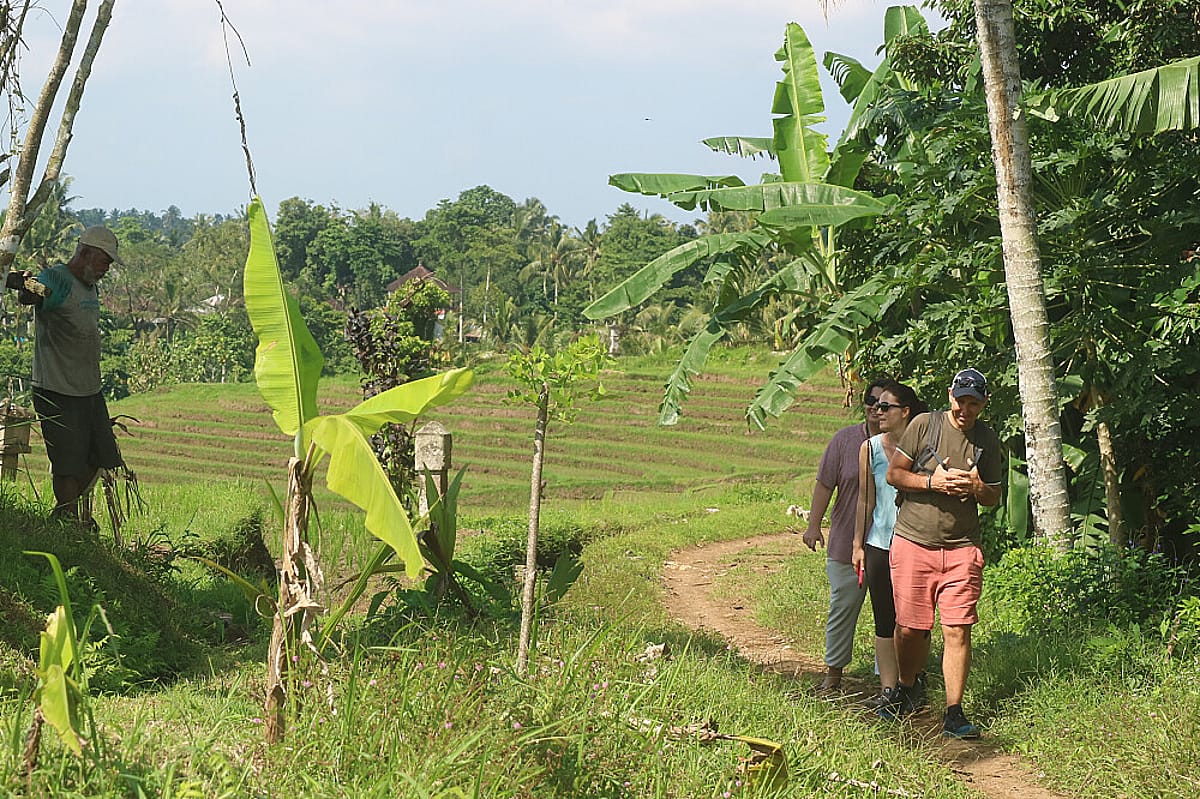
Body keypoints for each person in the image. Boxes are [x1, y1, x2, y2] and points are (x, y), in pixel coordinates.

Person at [879, 368, 1003, 739]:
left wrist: (978, 486)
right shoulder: (923, 425)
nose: (965, 409)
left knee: (958, 630)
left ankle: (954, 711)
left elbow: (995, 497)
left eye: (973, 403)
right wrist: (934, 481)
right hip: (914, 541)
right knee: (911, 628)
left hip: (963, 547)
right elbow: (894, 475)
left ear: (983, 404)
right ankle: (906, 685)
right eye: (960, 401)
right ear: (951, 396)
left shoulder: (987, 440)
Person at [14, 225, 125, 522]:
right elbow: (33, 295)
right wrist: (26, 287)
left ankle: (67, 515)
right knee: (66, 463)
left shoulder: (90, 285)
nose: (106, 268)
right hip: (57, 389)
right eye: (105, 261)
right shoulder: (56, 279)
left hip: (88, 388)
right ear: (86, 253)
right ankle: (68, 518)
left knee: (100, 456)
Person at [803, 377, 888, 692]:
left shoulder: (904, 443)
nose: (876, 410)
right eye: (871, 402)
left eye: (884, 404)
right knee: (842, 609)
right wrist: (813, 526)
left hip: (887, 545)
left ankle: (888, 683)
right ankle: (833, 675)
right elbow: (825, 484)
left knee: (889, 615)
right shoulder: (844, 441)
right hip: (844, 542)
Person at [852, 380, 927, 707]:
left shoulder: (925, 447)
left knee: (915, 619)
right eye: (876, 406)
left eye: (886, 407)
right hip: (880, 543)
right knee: (884, 617)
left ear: (905, 412)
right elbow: (865, 500)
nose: (877, 412)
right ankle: (888, 690)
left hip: (917, 542)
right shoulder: (869, 448)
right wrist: (858, 544)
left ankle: (913, 683)